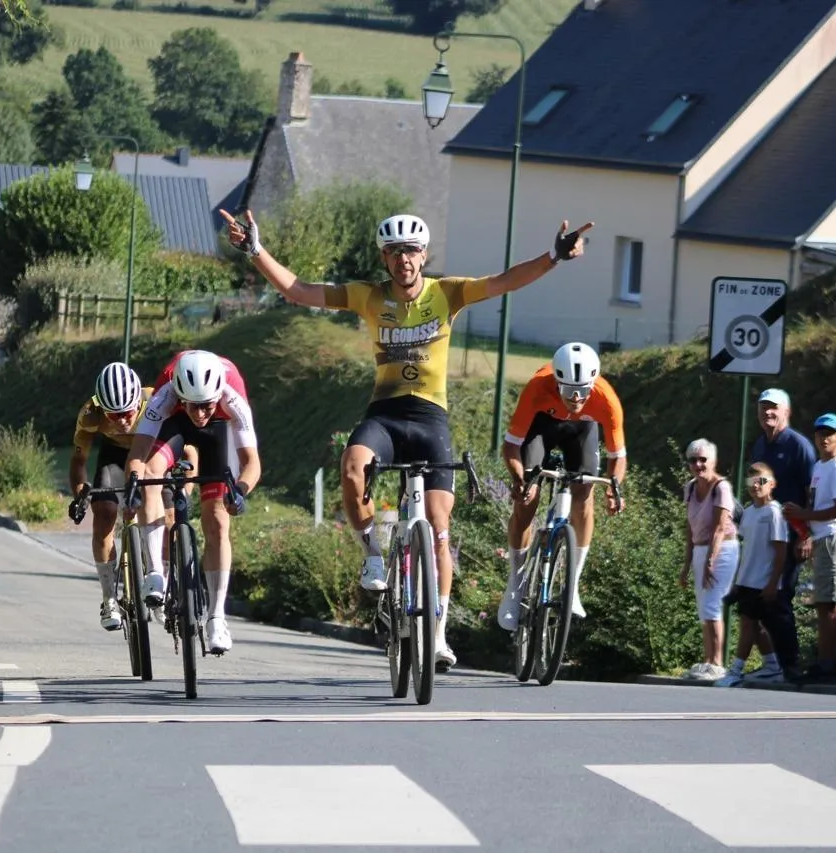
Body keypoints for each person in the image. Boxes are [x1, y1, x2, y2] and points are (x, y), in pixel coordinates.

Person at [220, 207, 594, 670]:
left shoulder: (448, 293)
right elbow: (299, 291)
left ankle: (437, 635)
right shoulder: (369, 297)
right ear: (385, 259)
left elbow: (506, 281)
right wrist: (256, 249)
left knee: (439, 528)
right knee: (353, 464)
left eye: (412, 250)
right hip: (386, 414)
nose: (404, 260)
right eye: (395, 253)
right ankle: (374, 554)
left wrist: (553, 257)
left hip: (432, 419)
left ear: (423, 254)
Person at [124, 349, 262, 655]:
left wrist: (239, 490)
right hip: (175, 425)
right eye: (193, 406)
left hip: (219, 434)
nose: (200, 414)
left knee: (217, 520)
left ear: (217, 396)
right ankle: (156, 573)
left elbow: (252, 463)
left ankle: (217, 618)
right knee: (149, 474)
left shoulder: (231, 396)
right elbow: (137, 454)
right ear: (180, 394)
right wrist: (134, 483)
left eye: (206, 406)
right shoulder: (165, 393)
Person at [496, 342, 625, 631]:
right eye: (568, 390)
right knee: (527, 499)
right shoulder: (537, 387)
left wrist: (614, 489)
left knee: (584, 493)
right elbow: (511, 446)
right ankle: (515, 586)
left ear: (594, 383)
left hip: (582, 431)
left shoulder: (606, 398)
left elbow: (618, 457)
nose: (576, 398)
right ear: (556, 381)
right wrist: (520, 480)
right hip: (542, 426)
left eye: (582, 390)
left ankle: (573, 584)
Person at [69, 362, 154, 632]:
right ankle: (109, 598)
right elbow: (78, 461)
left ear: (137, 403)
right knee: (103, 512)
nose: (123, 421)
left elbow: (185, 443)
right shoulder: (90, 415)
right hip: (115, 456)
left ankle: (163, 578)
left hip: (152, 452)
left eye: (128, 413)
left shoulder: (154, 401)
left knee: (167, 511)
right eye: (114, 416)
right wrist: (79, 495)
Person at [785, 413, 836, 681]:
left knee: (831, 605)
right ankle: (827, 661)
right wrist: (802, 519)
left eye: (830, 433)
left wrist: (803, 516)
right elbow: (815, 506)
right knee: (824, 603)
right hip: (823, 538)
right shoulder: (819, 467)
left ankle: (832, 664)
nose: (824, 437)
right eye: (820, 432)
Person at [748, 387, 815, 679]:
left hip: (792, 532)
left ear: (787, 411)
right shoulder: (760, 446)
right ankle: (774, 664)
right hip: (764, 533)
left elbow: (812, 491)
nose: (768, 413)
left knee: (780, 595)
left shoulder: (799, 446)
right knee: (762, 597)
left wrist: (807, 535)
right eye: (763, 407)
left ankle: (791, 665)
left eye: (774, 407)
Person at [715, 463, 793, 687]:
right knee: (753, 626)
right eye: (752, 482)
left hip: (764, 582)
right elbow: (748, 549)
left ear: (772, 485)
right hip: (747, 581)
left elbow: (780, 551)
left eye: (762, 481)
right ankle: (771, 666)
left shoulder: (774, 513)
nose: (756, 486)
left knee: (749, 624)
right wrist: (738, 580)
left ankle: (736, 671)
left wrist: (772, 583)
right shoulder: (748, 513)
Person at [678, 439, 739, 680]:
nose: (698, 464)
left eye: (703, 459)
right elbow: (690, 528)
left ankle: (717, 663)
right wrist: (687, 565)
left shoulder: (721, 487)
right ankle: (707, 659)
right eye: (693, 460)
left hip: (722, 549)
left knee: (713, 605)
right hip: (701, 548)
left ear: (713, 461)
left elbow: (719, 528)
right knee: (704, 609)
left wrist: (710, 562)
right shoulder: (690, 488)